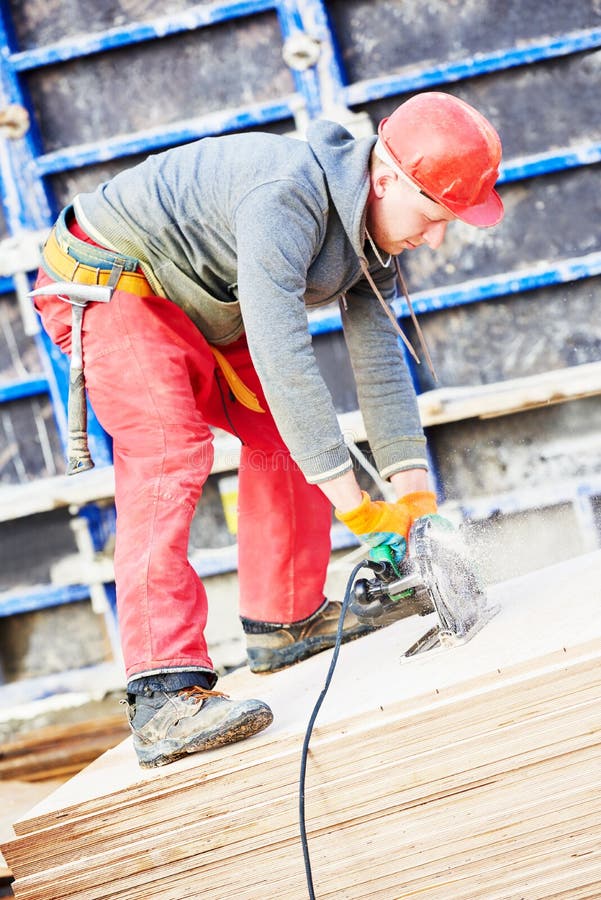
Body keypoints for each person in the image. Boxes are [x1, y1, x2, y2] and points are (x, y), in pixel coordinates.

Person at [33, 91, 504, 768]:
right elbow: (284, 359)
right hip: (108, 279)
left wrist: (418, 508)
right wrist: (364, 513)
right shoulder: (287, 196)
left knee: (285, 435)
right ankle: (160, 691)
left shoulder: (373, 239)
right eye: (432, 217)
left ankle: (282, 620)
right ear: (384, 179)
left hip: (196, 294)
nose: (435, 237)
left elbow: (380, 366)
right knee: (168, 450)